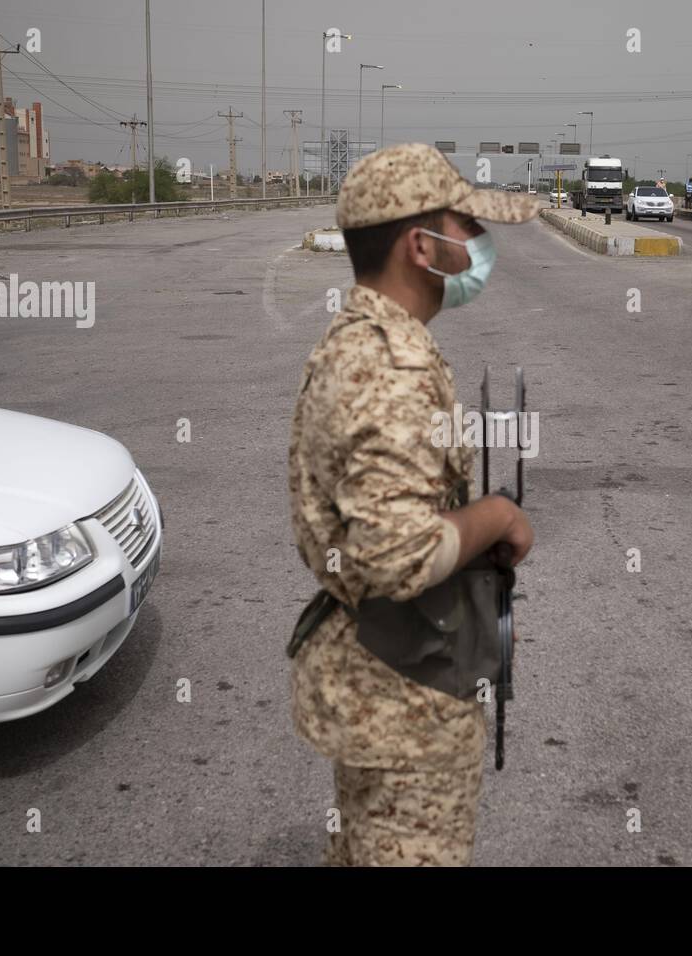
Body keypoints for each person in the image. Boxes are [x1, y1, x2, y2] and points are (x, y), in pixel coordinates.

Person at [288, 143, 538, 866]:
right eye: (465, 226)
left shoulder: (368, 339)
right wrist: (498, 516)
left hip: (386, 676)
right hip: (405, 700)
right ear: (420, 246)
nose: (479, 243)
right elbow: (397, 556)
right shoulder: (390, 366)